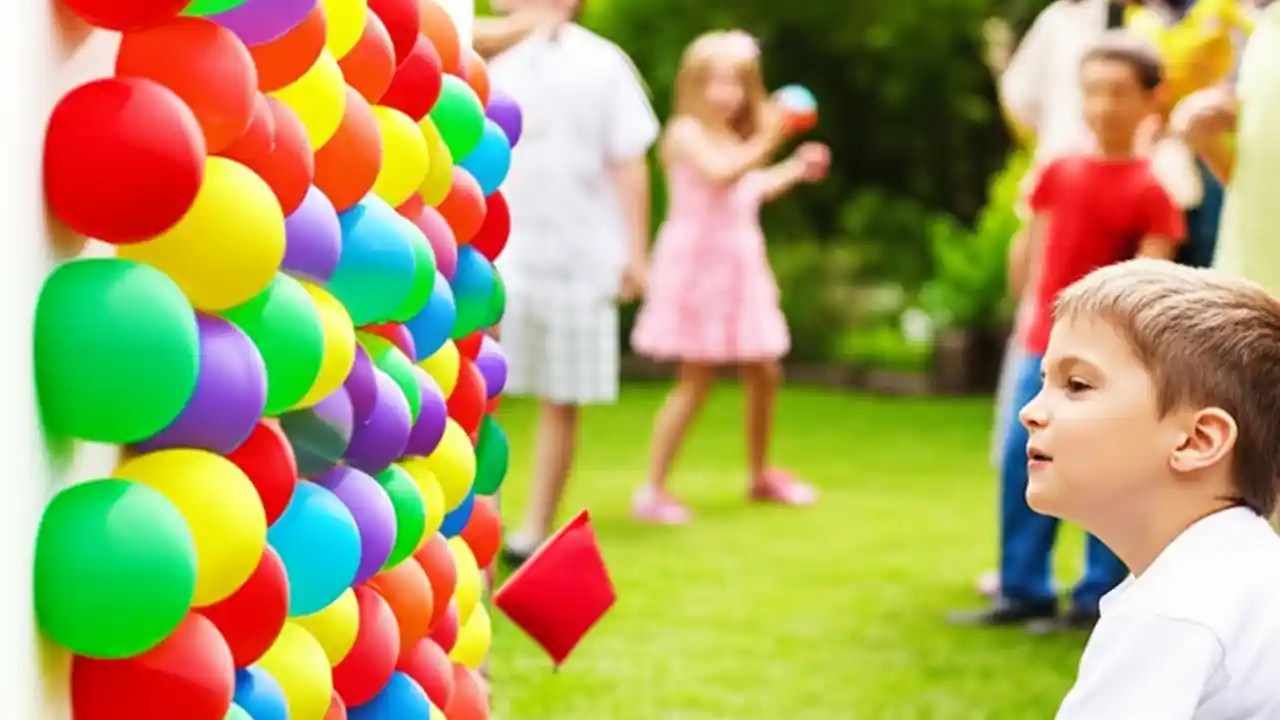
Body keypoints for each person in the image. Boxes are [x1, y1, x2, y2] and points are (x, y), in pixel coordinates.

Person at [950, 33, 1186, 631]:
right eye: (1092, 92)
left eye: (1118, 92)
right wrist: (1025, 317)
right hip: (1039, 345)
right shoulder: (1058, 171)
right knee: (1022, 460)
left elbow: (1150, 284)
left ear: (1151, 101)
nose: (1103, 106)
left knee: (1107, 472)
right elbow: (1030, 249)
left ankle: (1097, 596)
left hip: (1107, 360)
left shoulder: (1154, 192)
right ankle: (1022, 588)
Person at [1031, 259, 1280, 718]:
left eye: (1077, 384)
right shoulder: (1250, 573)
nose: (1031, 411)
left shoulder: (1172, 611)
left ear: (1196, 440)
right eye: (1044, 381)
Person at [482, 0, 661, 564]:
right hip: (496, 250)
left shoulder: (605, 63)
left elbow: (630, 160)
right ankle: (480, 517)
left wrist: (636, 250)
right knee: (482, 390)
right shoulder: (483, 55)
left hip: (581, 251)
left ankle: (533, 530)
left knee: (565, 396)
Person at [627, 30, 830, 523]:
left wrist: (794, 170)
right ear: (691, 86)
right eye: (714, 83)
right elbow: (721, 174)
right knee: (696, 379)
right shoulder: (684, 133)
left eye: (736, 83)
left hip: (738, 265)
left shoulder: (731, 137)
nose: (725, 94)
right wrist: (774, 134)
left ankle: (760, 475)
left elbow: (748, 188)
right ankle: (652, 488)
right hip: (701, 269)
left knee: (765, 369)